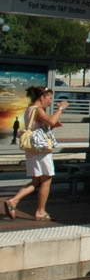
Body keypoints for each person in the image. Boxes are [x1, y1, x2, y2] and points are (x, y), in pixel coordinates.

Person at [4, 86, 67, 221]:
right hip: (40, 149)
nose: (50, 101)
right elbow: (51, 120)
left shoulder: (30, 109)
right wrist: (60, 109)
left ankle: (14, 200)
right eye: (49, 98)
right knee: (46, 180)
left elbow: (43, 125)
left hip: (33, 149)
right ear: (42, 97)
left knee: (36, 181)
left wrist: (52, 125)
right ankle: (40, 211)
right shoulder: (37, 109)